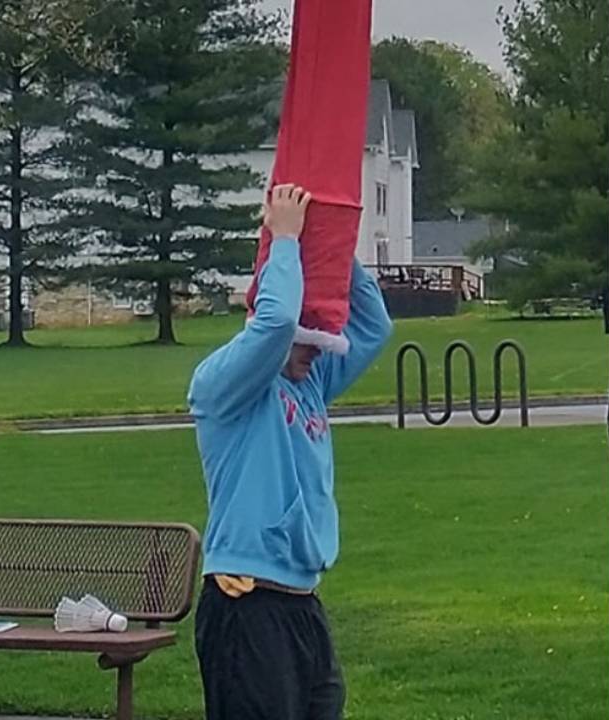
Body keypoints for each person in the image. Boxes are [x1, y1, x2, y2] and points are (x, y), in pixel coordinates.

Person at [188, 184, 394, 719]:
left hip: (302, 602)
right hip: (246, 603)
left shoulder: (310, 383)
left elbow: (374, 327)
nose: (318, 349)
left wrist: (329, 246)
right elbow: (277, 323)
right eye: (311, 336)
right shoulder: (224, 385)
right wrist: (284, 239)